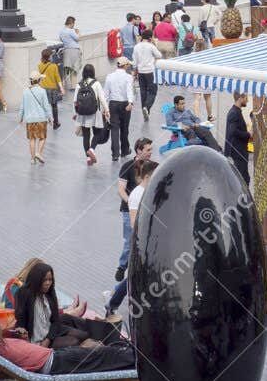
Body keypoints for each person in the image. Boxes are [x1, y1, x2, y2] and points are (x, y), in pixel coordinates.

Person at [0, 311, 135, 376]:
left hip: (53, 357)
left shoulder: (1, 343)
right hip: (53, 361)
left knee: (95, 351)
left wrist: (23, 337)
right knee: (98, 353)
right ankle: (134, 356)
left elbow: (23, 351)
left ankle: (129, 355)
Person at [12, 261, 122, 347]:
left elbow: (55, 321)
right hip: (37, 339)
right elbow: (20, 320)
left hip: (50, 332)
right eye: (44, 280)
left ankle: (102, 330)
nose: (48, 283)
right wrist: (22, 331)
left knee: (83, 334)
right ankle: (92, 345)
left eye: (50, 280)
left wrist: (48, 339)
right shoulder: (24, 294)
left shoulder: (49, 294)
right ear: (37, 280)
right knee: (74, 341)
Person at [105, 160, 158, 314]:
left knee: (138, 276)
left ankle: (114, 298)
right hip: (142, 243)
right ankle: (112, 301)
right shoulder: (137, 194)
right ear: (147, 176)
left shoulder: (150, 192)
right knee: (136, 276)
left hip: (150, 242)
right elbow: (134, 222)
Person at [115, 136, 153, 282]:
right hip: (129, 211)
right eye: (148, 150)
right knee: (130, 240)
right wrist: (131, 203)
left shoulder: (151, 167)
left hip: (146, 210)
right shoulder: (127, 167)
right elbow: (121, 189)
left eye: (151, 149)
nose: (150, 152)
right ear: (139, 150)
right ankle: (122, 266)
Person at [74, 64, 109, 165]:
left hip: (82, 114)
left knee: (86, 135)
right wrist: (107, 110)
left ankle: (88, 158)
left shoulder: (79, 84)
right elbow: (102, 98)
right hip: (94, 112)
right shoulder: (96, 83)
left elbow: (75, 101)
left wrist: (75, 113)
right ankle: (92, 149)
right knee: (98, 133)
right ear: (93, 72)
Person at [104, 57, 135, 160]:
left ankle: (115, 154)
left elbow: (106, 93)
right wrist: (130, 102)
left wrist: (105, 108)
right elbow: (129, 90)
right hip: (125, 104)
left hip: (113, 104)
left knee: (114, 129)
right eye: (128, 65)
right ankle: (125, 150)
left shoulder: (109, 76)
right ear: (125, 65)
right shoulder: (128, 77)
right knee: (124, 128)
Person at [19, 71, 52, 165]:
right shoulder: (42, 91)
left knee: (32, 139)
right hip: (41, 119)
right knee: (42, 138)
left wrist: (20, 118)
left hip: (30, 120)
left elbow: (22, 107)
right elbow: (46, 106)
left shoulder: (25, 92)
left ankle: (32, 159)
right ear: (39, 80)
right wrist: (50, 118)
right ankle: (38, 153)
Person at [131, 31, 162, 118]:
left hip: (140, 72)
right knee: (153, 91)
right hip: (150, 71)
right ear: (150, 38)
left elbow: (134, 62)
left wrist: (135, 72)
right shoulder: (151, 46)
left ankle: (145, 111)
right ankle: (147, 107)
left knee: (143, 92)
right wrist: (154, 44)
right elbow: (159, 55)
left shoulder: (136, 46)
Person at [224, 92, 252, 185]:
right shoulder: (234, 113)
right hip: (238, 152)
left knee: (244, 178)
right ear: (240, 98)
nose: (247, 100)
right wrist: (248, 134)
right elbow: (233, 131)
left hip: (239, 151)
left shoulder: (236, 112)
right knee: (242, 179)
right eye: (246, 98)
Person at [38, 49, 63, 130]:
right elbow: (58, 78)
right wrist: (61, 88)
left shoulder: (40, 65)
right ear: (49, 57)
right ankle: (56, 123)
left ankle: (42, 123)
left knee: (43, 107)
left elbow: (41, 77)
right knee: (54, 106)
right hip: (52, 89)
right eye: (51, 55)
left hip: (43, 88)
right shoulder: (54, 66)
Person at [58, 16, 82, 90]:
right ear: (71, 23)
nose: (74, 25)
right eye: (73, 23)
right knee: (74, 69)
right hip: (74, 51)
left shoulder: (61, 31)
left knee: (68, 69)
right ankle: (73, 86)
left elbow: (61, 39)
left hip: (66, 51)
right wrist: (78, 32)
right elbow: (78, 39)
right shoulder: (71, 31)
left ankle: (67, 85)